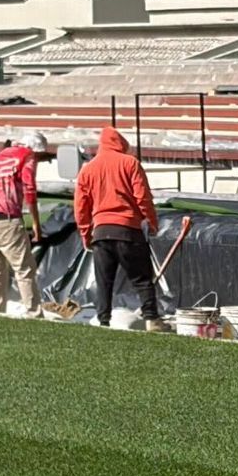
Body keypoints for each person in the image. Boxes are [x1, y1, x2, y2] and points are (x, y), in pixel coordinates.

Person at [74, 127, 163, 332]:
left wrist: (86, 235)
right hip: (128, 229)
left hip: (101, 232)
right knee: (142, 279)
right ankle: (152, 319)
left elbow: (81, 207)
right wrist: (151, 222)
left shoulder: (88, 169)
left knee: (104, 281)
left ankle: (103, 319)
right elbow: (143, 197)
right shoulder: (130, 163)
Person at [0, 132, 49, 317]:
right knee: (24, 268)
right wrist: (36, 224)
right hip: (7, 218)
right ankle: (33, 312)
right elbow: (30, 190)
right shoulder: (27, 156)